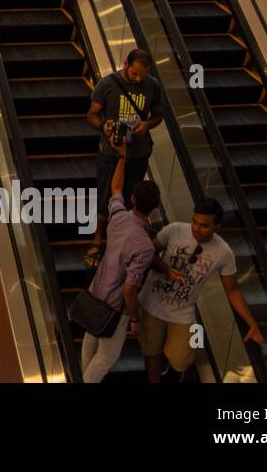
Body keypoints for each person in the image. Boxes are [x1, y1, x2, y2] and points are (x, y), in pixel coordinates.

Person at [139, 198, 264, 382]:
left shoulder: (224, 252)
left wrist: (252, 323)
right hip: (152, 303)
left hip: (183, 312)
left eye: (204, 225)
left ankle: (171, 373)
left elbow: (232, 289)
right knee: (151, 351)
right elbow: (146, 253)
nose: (196, 228)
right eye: (194, 221)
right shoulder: (175, 230)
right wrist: (165, 270)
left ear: (217, 227)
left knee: (183, 359)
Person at [81, 134, 164, 383]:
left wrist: (122, 156)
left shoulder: (117, 216)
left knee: (90, 339)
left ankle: (82, 377)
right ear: (156, 206)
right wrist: (135, 318)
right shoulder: (146, 246)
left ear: (133, 199)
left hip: (96, 291)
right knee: (106, 357)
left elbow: (115, 188)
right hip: (115, 307)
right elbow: (130, 288)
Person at [85, 48, 165, 268]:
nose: (138, 79)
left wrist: (146, 124)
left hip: (138, 153)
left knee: (131, 198)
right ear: (126, 64)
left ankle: (122, 241)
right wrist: (104, 126)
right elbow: (91, 115)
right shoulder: (107, 84)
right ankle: (97, 240)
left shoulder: (152, 86)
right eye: (135, 74)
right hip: (111, 152)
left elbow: (159, 114)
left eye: (143, 75)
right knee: (105, 196)